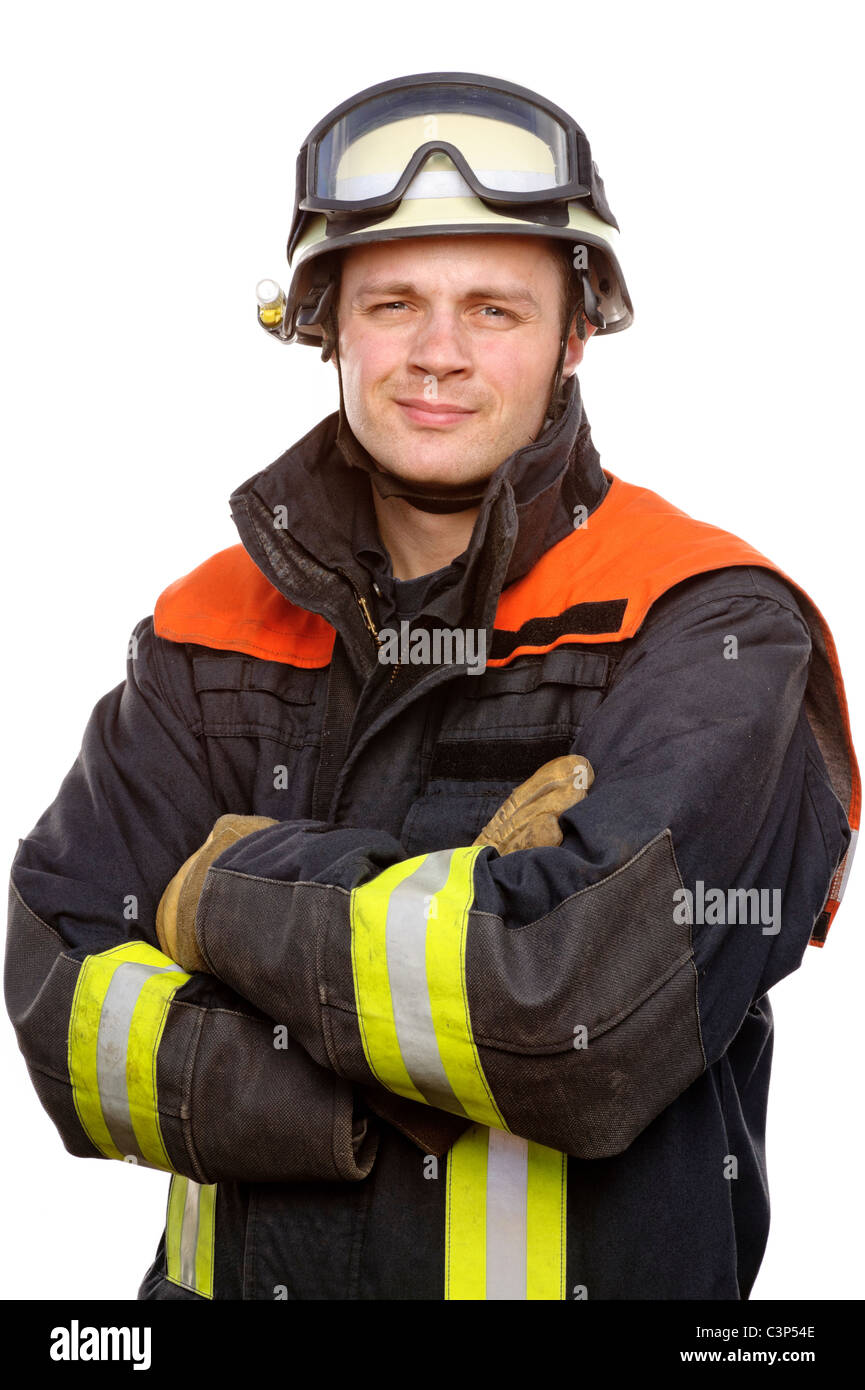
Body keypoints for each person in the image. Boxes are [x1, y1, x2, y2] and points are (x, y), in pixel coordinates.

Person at [5, 71, 859, 1302]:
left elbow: (581, 1015)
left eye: (493, 308)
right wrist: (366, 1090)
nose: (437, 354)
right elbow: (58, 991)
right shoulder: (208, 627)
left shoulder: (708, 624)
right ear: (324, 329)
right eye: (392, 301)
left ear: (575, 333)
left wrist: (216, 892)